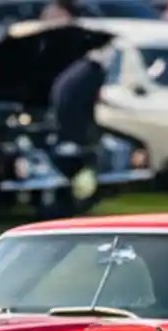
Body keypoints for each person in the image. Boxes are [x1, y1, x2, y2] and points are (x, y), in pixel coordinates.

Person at [42, 46, 107, 218]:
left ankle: (64, 205)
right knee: (86, 167)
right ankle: (81, 202)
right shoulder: (92, 73)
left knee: (67, 172)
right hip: (76, 130)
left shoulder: (76, 70)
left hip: (63, 127)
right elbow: (89, 103)